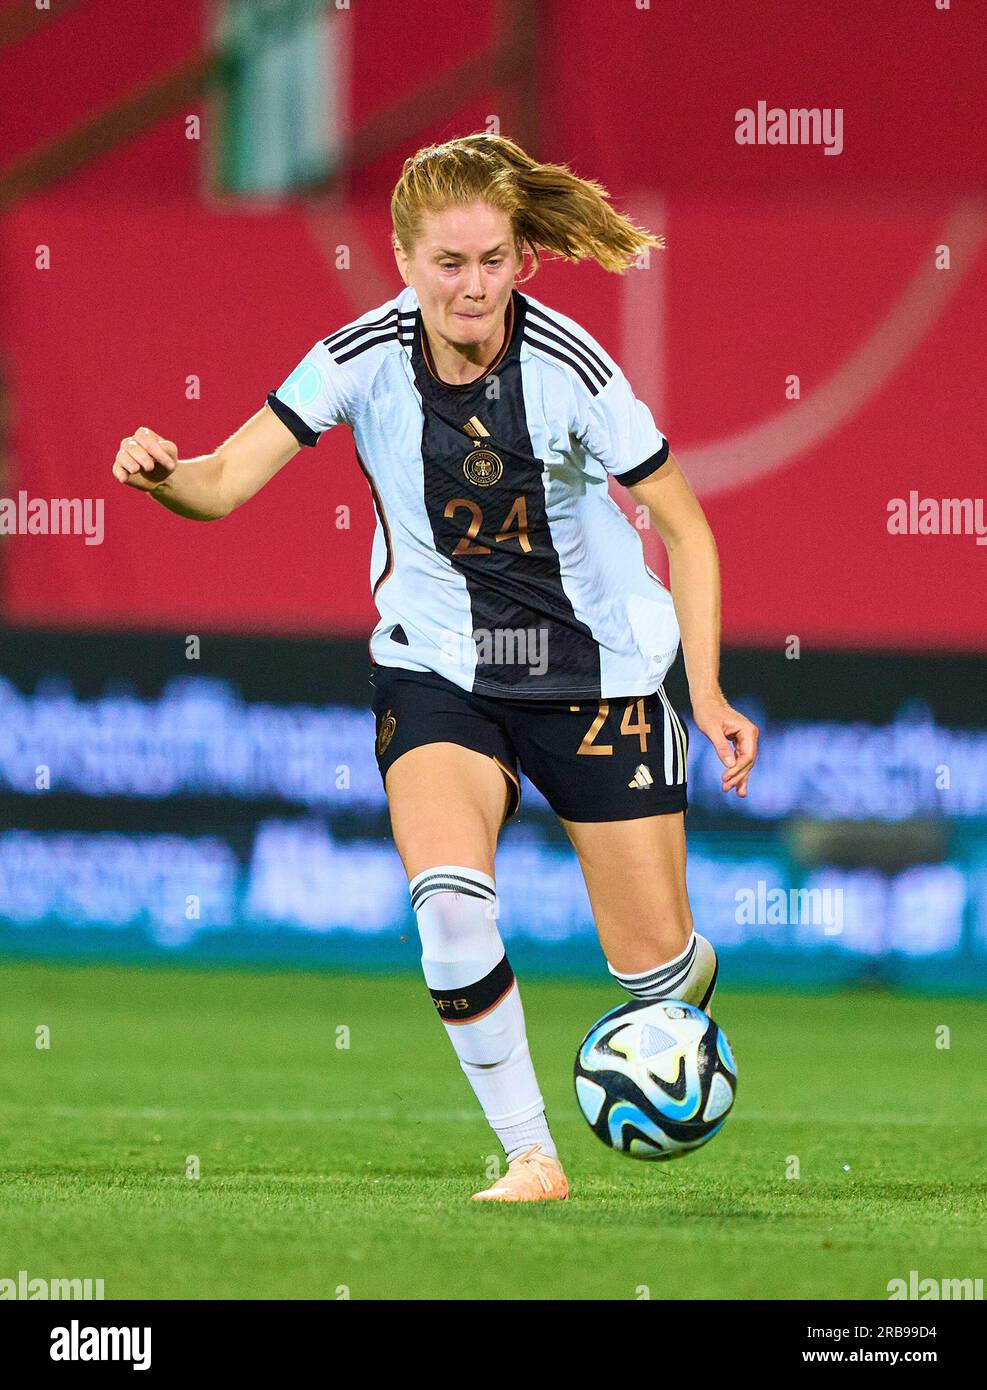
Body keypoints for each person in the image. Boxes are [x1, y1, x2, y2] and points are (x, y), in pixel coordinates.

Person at [111, 133, 758, 1203]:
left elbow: (687, 531)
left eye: (492, 260)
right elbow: (223, 483)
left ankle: (678, 985)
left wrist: (709, 691)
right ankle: (531, 1155)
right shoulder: (358, 357)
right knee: (452, 908)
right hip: (439, 674)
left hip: (596, 684)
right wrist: (161, 472)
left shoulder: (574, 371)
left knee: (656, 980)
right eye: (448, 263)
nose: (472, 285)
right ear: (404, 261)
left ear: (524, 262)